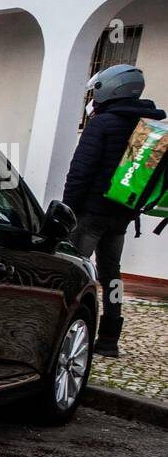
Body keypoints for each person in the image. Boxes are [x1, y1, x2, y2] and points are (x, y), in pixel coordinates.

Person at [63, 63, 165, 358]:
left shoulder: (102, 123)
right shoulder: (146, 126)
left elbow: (80, 171)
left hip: (89, 215)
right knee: (112, 276)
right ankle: (109, 338)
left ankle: (65, 330)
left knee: (74, 271)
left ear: (112, 88)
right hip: (121, 215)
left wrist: (68, 209)